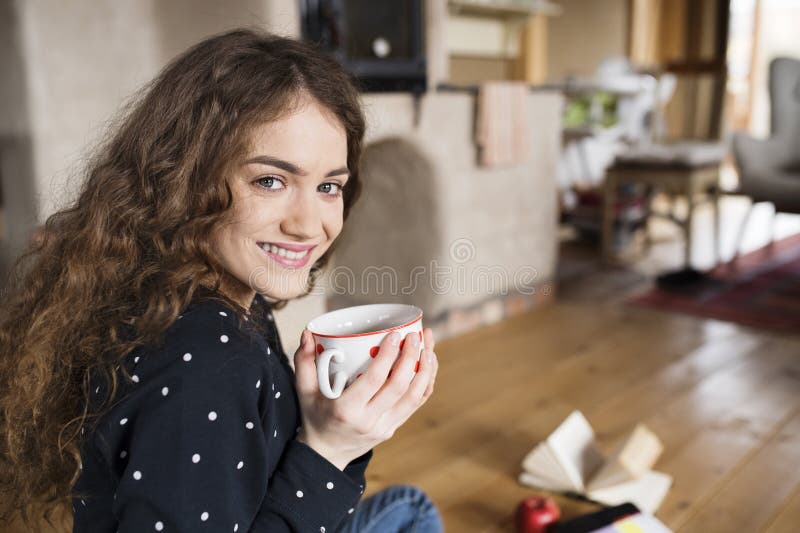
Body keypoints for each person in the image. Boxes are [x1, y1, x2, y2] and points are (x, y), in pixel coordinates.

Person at [0, 28, 443, 533]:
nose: (307, 224)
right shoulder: (208, 362)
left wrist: (318, 416)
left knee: (408, 507)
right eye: (270, 181)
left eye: (328, 187)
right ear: (184, 178)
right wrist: (331, 451)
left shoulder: (197, 292)